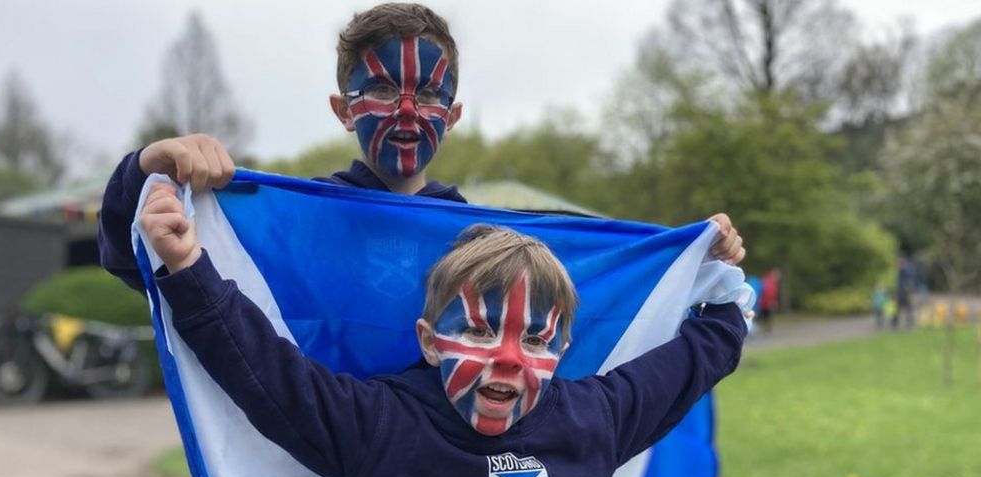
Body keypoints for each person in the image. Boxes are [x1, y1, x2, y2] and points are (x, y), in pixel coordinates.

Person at [138, 181, 747, 477]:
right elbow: (267, 373)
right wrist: (188, 267)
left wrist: (716, 277)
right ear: (429, 342)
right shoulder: (377, 426)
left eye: (534, 338)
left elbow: (696, 356)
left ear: (562, 348)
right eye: (480, 331)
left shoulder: (596, 419)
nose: (507, 359)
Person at [98, 3, 746, 293]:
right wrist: (148, 169)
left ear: (455, 115)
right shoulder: (291, 227)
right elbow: (135, 264)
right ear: (343, 111)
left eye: (429, 95)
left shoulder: (484, 243)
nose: (408, 111)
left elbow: (603, 282)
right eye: (381, 88)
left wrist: (692, 255)